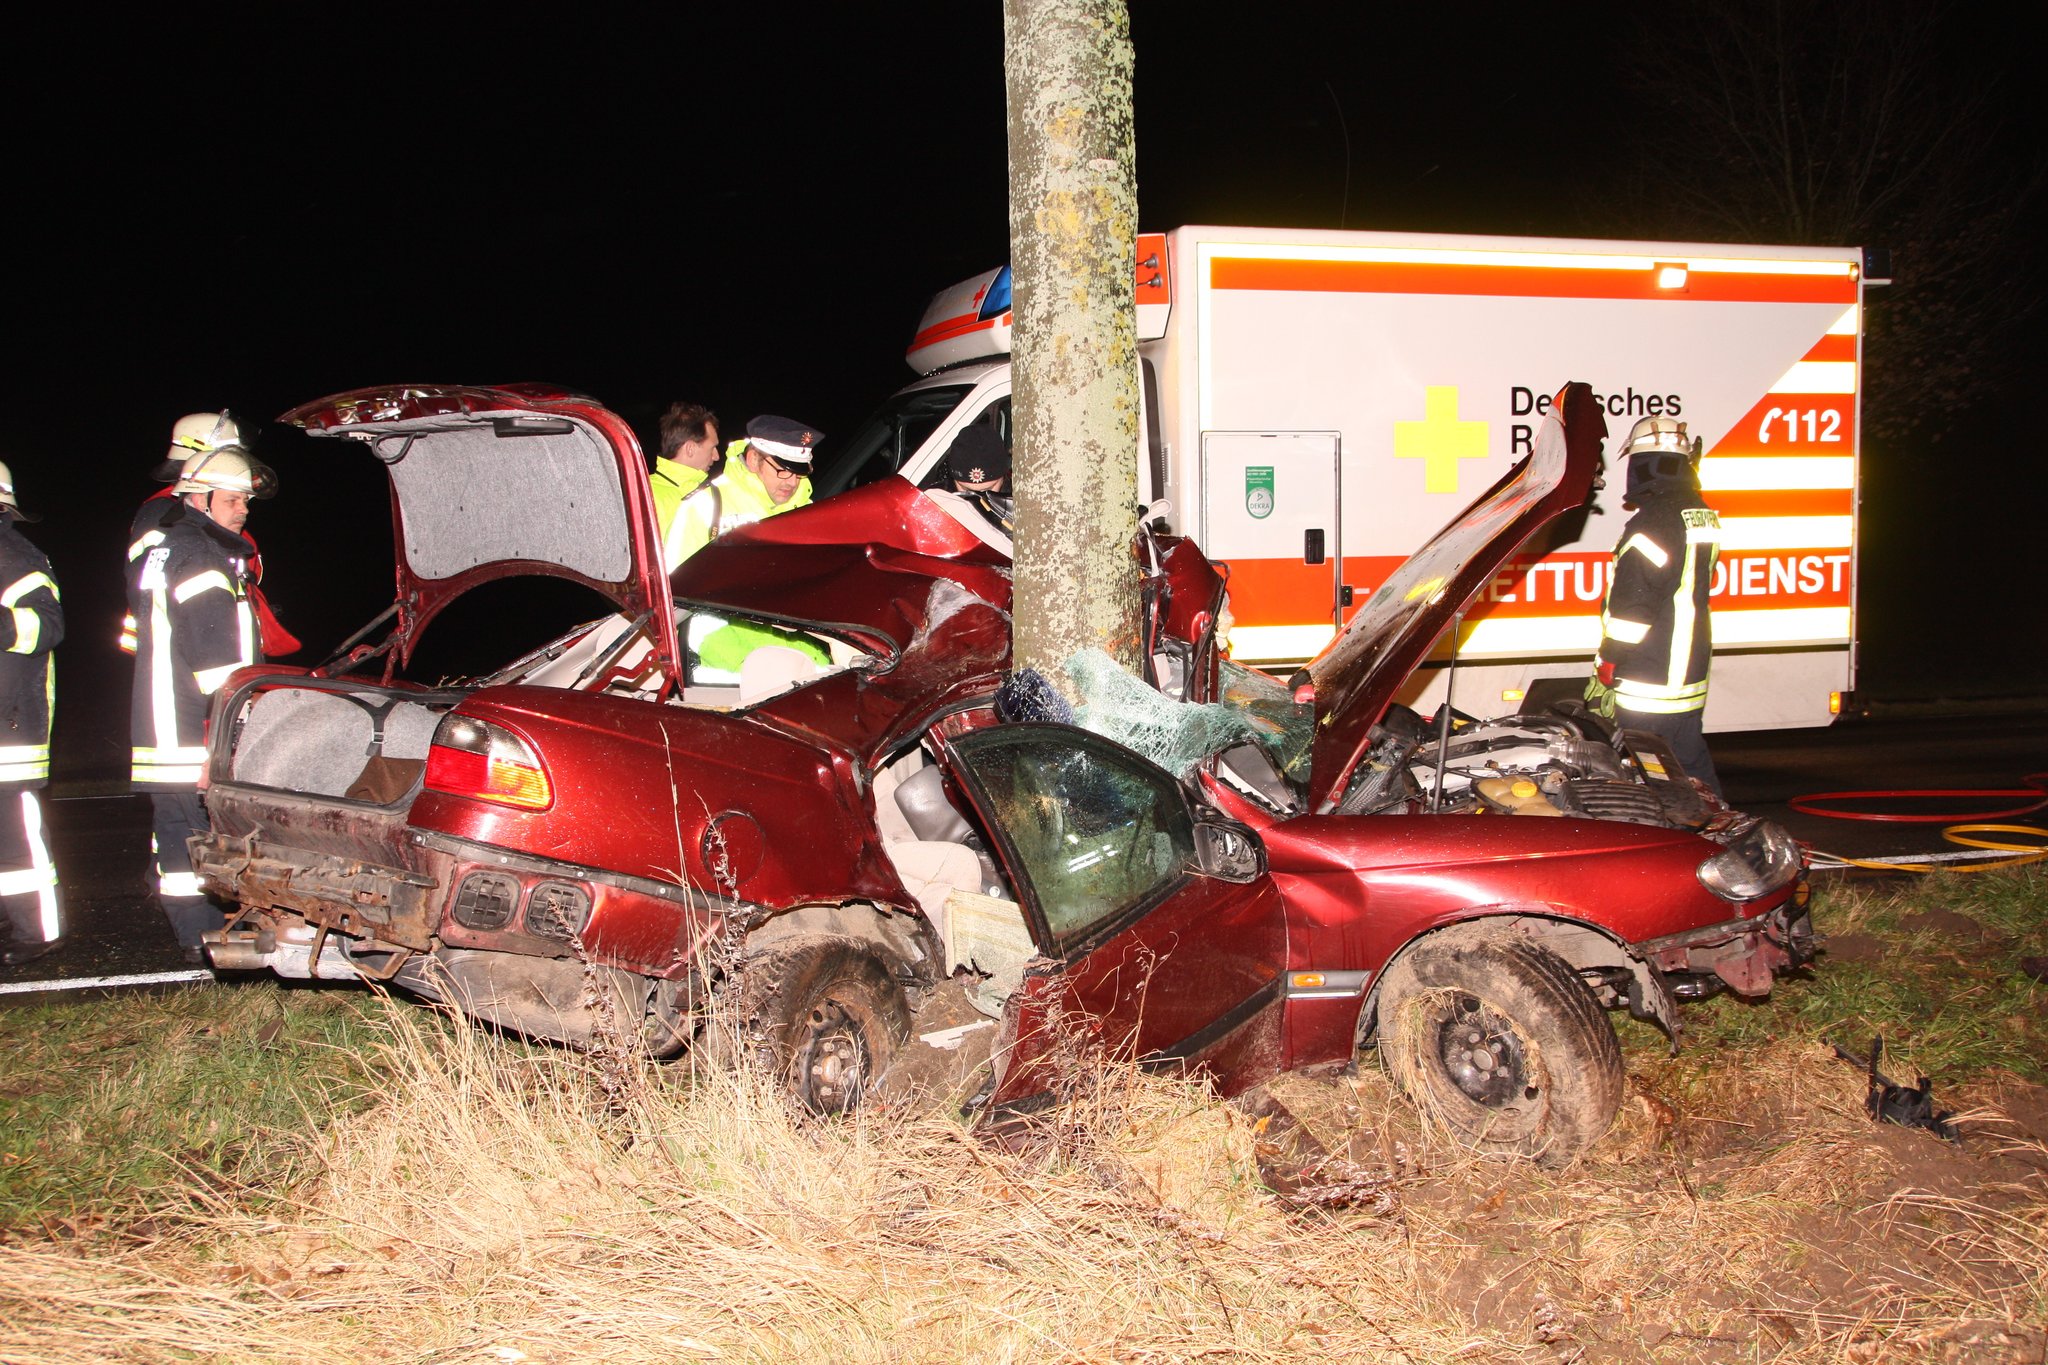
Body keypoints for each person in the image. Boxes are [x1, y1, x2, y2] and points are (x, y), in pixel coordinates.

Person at [130, 445, 279, 961]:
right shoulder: (201, 557)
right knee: (198, 833)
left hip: (164, 719)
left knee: (176, 832)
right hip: (193, 725)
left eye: (246, 500)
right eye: (233, 499)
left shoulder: (172, 547)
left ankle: (196, 936)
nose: (243, 509)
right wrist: (226, 742)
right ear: (199, 497)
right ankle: (207, 937)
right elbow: (218, 669)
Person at [1584, 415, 1725, 798]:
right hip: (1688, 675)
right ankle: (1724, 835)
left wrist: (1610, 659)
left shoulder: (1651, 524)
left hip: (1649, 679)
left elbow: (1634, 605)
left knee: (1647, 777)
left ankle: (1661, 844)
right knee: (1691, 765)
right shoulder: (1699, 513)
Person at [123, 412, 297, 659]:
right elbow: (157, 583)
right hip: (191, 653)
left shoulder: (199, 511)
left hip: (218, 644)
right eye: (230, 455)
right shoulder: (165, 512)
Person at [0, 463, 63, 966]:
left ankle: (38, 931)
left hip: (11, 721)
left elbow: (48, 626)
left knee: (14, 833)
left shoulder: (16, 557)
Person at [661, 414, 824, 569]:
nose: (792, 482)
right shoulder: (705, 505)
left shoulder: (807, 510)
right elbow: (672, 582)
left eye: (799, 473)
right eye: (782, 470)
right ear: (753, 460)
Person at [924, 424, 1017, 556]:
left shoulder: (1020, 500)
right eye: (966, 490)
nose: (978, 498)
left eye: (988, 489)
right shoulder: (934, 500)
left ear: (1004, 476)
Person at [649, 401, 721, 540]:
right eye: (712, 448)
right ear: (690, 449)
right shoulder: (646, 496)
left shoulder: (710, 493)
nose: (716, 456)